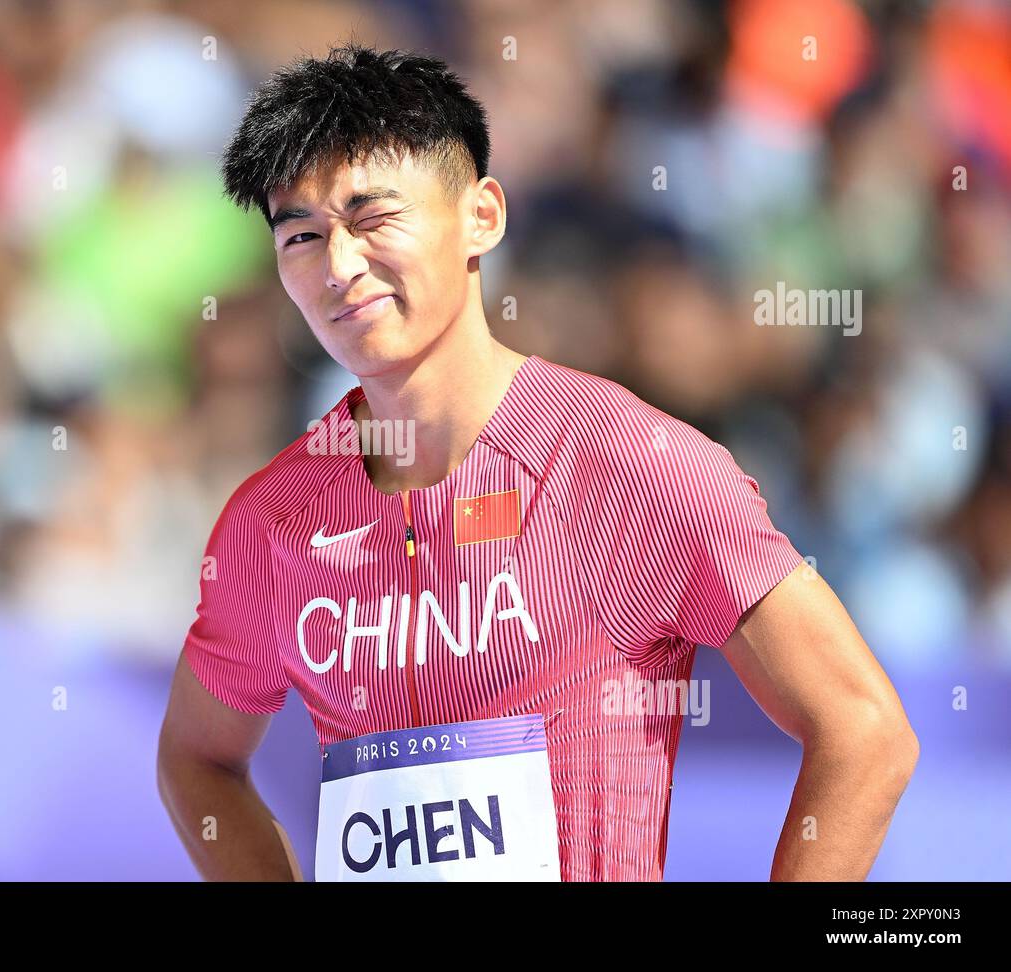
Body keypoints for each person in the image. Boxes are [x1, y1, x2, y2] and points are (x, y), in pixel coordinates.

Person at [156, 43, 918, 881]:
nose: (338, 267)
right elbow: (197, 760)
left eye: (373, 219)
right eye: (301, 235)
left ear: (481, 216)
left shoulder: (631, 465)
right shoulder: (272, 521)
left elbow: (863, 727)